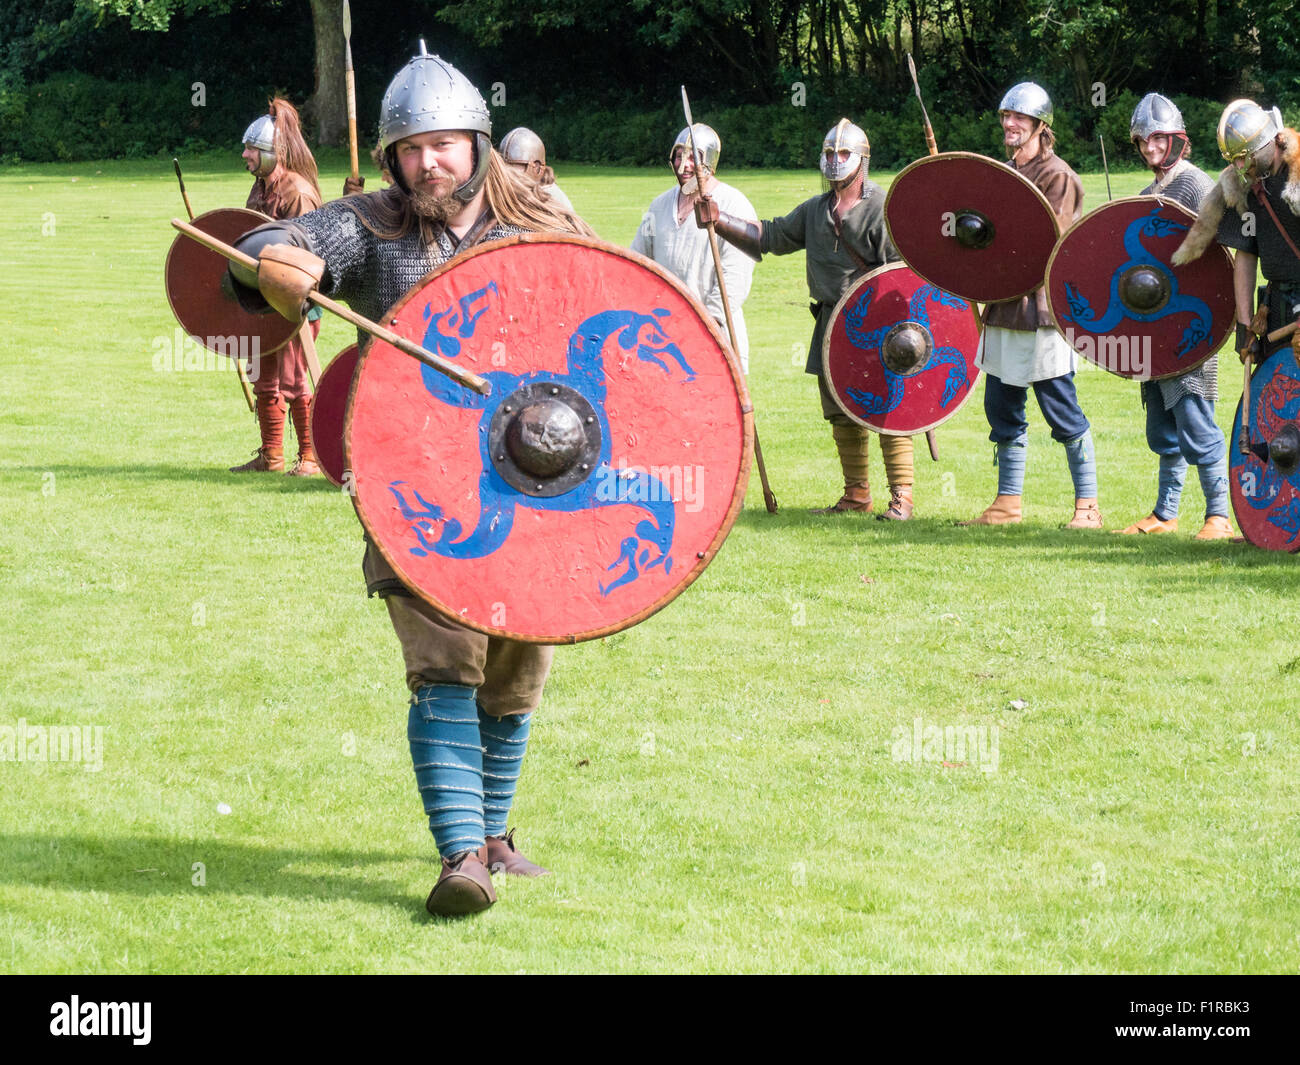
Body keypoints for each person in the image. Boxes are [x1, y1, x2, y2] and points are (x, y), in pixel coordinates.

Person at [229, 46, 592, 917]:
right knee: (444, 663)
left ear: (477, 140)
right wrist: (280, 259)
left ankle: (496, 834)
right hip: (417, 485)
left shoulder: (540, 216)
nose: (429, 163)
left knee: (517, 664)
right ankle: (459, 855)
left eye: (444, 145)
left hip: (532, 480)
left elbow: (606, 325)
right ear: (392, 157)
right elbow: (253, 251)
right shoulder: (372, 225)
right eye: (411, 148)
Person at [700, 118, 917, 519]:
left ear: (862, 160)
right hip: (832, 324)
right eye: (830, 154)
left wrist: (900, 333)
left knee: (887, 409)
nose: (835, 161)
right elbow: (771, 236)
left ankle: (901, 497)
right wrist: (719, 220)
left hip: (879, 326)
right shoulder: (816, 210)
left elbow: (901, 276)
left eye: (844, 154)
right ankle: (856, 494)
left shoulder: (882, 209)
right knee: (839, 409)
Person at [963, 82, 1099, 528]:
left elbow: (1047, 246)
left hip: (1040, 312)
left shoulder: (1059, 176)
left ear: (1042, 126)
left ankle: (1088, 507)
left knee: (1061, 408)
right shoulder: (1004, 172)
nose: (1010, 124)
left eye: (1019, 118)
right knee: (1002, 407)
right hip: (1003, 310)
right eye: (1006, 116)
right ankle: (1007, 503)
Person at [1116, 93, 1231, 540]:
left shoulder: (1197, 185)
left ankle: (1218, 516)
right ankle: (1165, 513)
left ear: (1177, 139)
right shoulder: (1149, 194)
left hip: (1191, 320)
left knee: (1194, 415)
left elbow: (1219, 259)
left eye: (1158, 140)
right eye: (1143, 141)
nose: (1150, 149)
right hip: (1154, 324)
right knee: (1163, 424)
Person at [1174, 98, 1300, 411]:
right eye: (1234, 161)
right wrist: (1245, 328)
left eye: (1243, 158)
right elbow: (1245, 257)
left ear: (1264, 143)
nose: (1239, 168)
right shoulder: (1245, 187)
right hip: (1276, 310)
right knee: (1279, 411)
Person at [230, 98, 324, 476]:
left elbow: (308, 254)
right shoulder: (260, 189)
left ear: (272, 152)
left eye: (252, 149)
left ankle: (311, 457)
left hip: (295, 300)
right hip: (263, 298)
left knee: (296, 379)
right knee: (265, 377)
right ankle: (271, 456)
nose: (245, 155)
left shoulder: (297, 193)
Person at [631, 124, 757, 371]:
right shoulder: (658, 207)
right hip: (662, 340)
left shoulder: (734, 206)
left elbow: (734, 281)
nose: (684, 164)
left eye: (693, 157)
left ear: (709, 161)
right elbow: (638, 267)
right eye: (679, 155)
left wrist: (702, 327)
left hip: (714, 337)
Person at [499, 127, 574, 212]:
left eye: (514, 167)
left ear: (537, 168)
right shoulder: (502, 195)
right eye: (504, 166)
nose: (507, 174)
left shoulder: (554, 201)